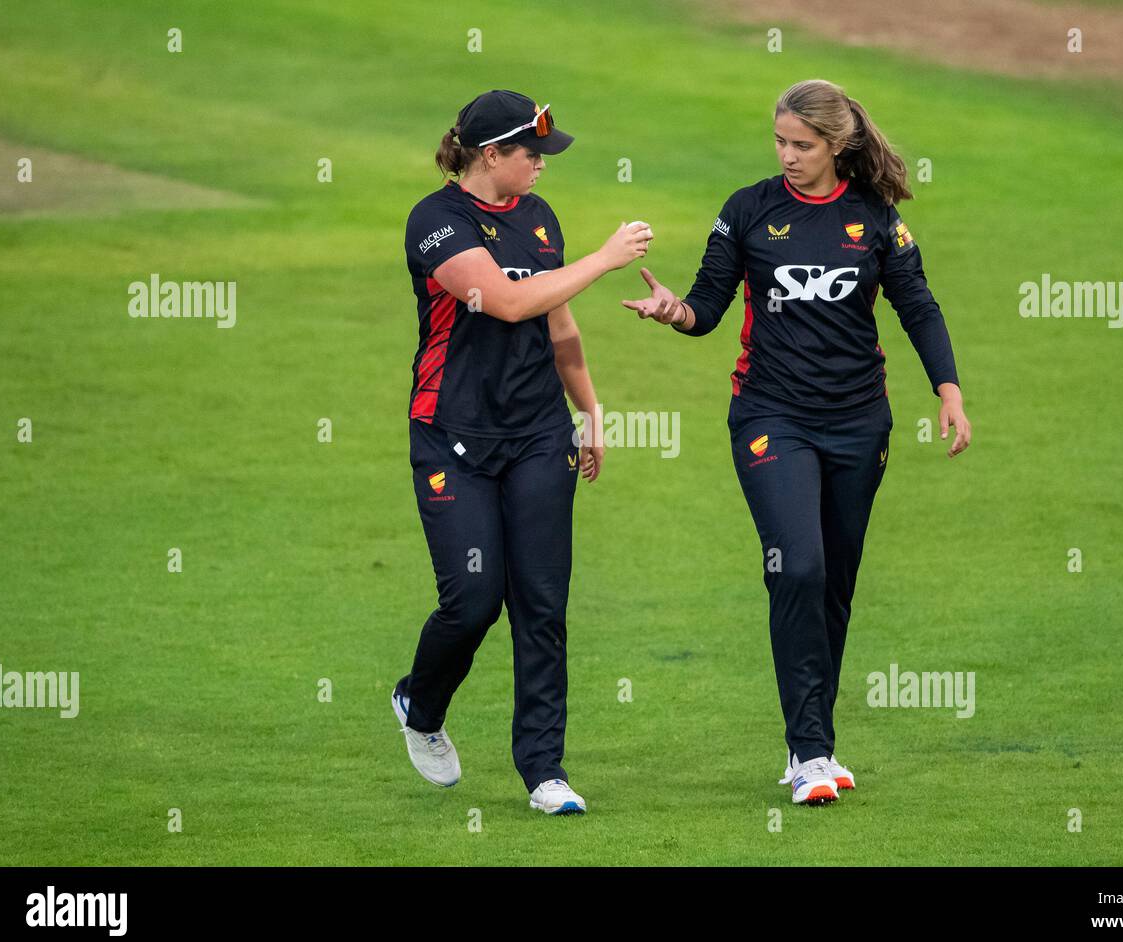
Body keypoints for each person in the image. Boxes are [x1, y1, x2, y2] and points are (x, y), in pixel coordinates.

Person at [621, 79, 972, 806]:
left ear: (837, 145)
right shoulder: (749, 210)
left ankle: (813, 742)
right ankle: (809, 754)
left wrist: (948, 390)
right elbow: (709, 306)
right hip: (770, 418)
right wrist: (673, 312)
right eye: (780, 141)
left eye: (801, 145)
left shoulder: (874, 218)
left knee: (834, 585)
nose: (787, 155)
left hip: (859, 424)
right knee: (799, 569)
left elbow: (918, 305)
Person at [395, 89, 652, 815]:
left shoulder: (539, 218)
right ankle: (422, 704)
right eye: (530, 153)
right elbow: (504, 302)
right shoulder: (436, 223)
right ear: (490, 156)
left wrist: (590, 410)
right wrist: (605, 259)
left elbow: (556, 324)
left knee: (541, 603)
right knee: (473, 602)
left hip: (539, 434)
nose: (542, 164)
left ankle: (544, 770)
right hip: (453, 437)